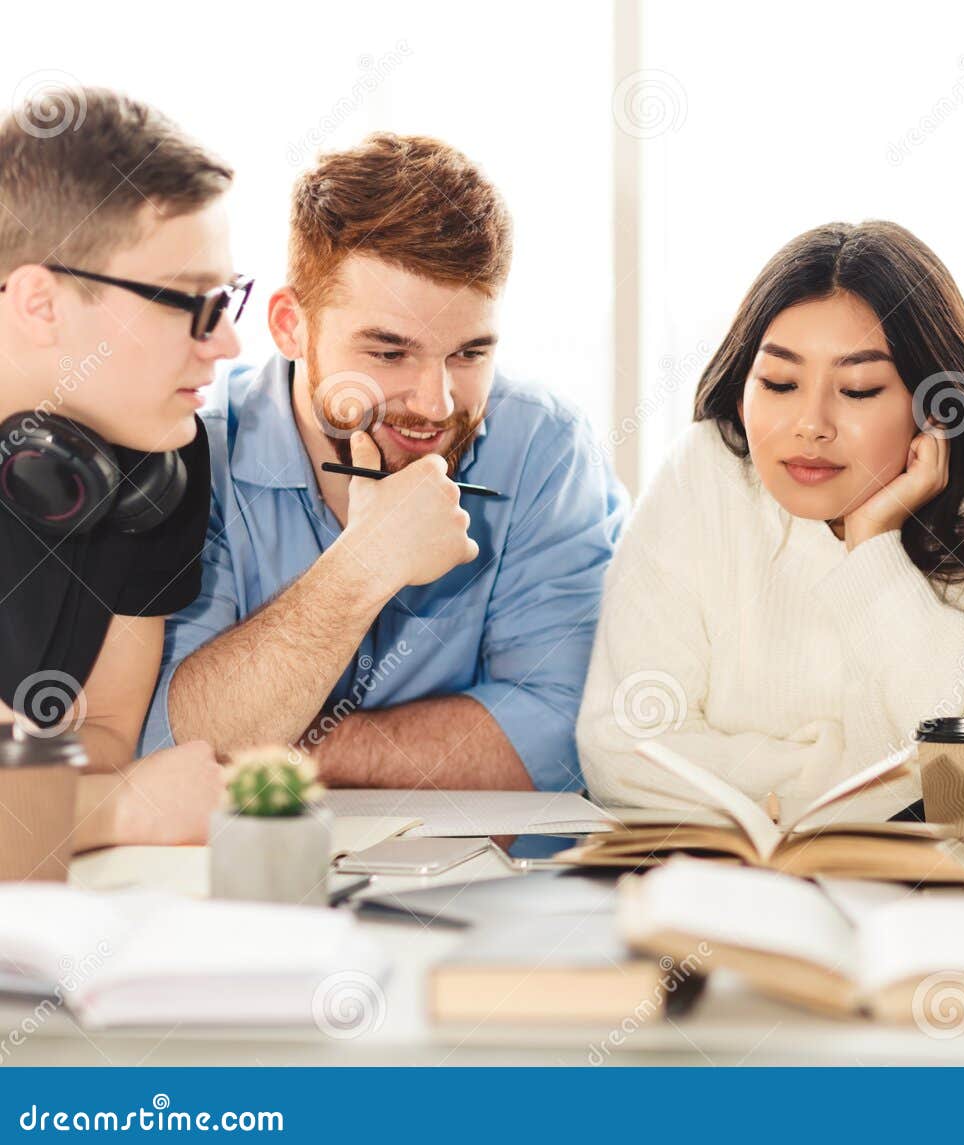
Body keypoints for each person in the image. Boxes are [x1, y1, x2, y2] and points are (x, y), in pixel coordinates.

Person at [140, 133, 627, 792]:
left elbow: (568, 733)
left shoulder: (545, 448)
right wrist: (365, 566)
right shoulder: (190, 453)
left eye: (469, 353)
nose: (436, 404)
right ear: (290, 326)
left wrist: (279, 743)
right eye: (390, 353)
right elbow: (160, 740)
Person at [577, 221, 964, 814]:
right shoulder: (704, 470)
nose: (811, 425)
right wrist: (873, 781)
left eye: (858, 389)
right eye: (779, 383)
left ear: (933, 405)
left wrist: (874, 552)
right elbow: (621, 750)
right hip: (718, 869)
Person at [0, 86, 237, 847]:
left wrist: (25, 781)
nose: (226, 342)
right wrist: (123, 810)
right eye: (187, 302)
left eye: (225, 299)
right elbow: (106, 776)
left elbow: (105, 732)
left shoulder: (157, 460)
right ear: (41, 304)